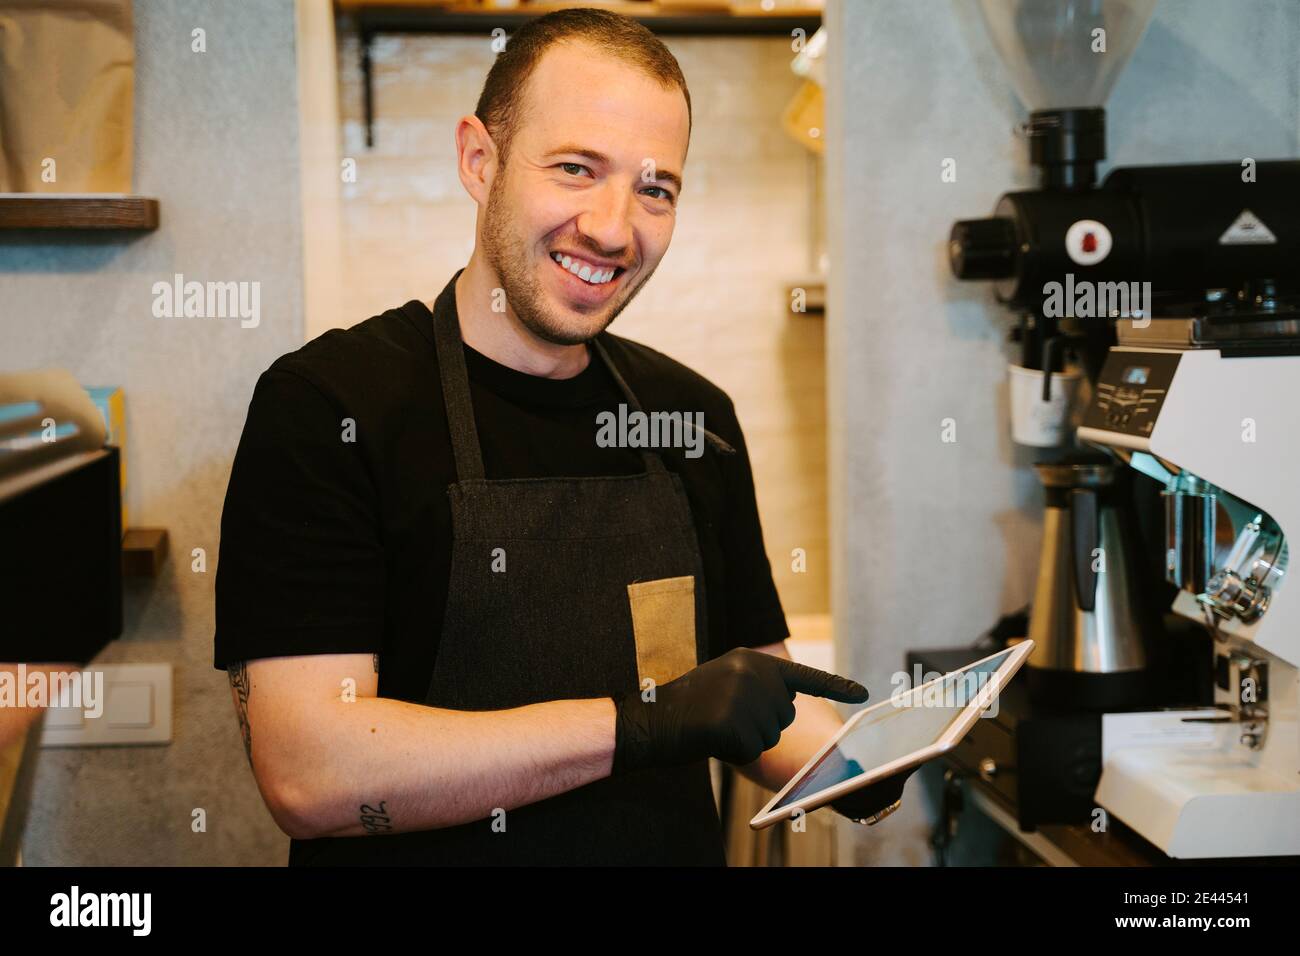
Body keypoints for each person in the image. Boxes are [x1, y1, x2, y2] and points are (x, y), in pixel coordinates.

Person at [213, 7, 910, 866]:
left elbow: (760, 703)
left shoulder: (692, 418)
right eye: (577, 169)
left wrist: (877, 761)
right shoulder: (329, 408)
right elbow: (311, 774)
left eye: (655, 188)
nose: (615, 229)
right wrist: (645, 723)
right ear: (480, 159)